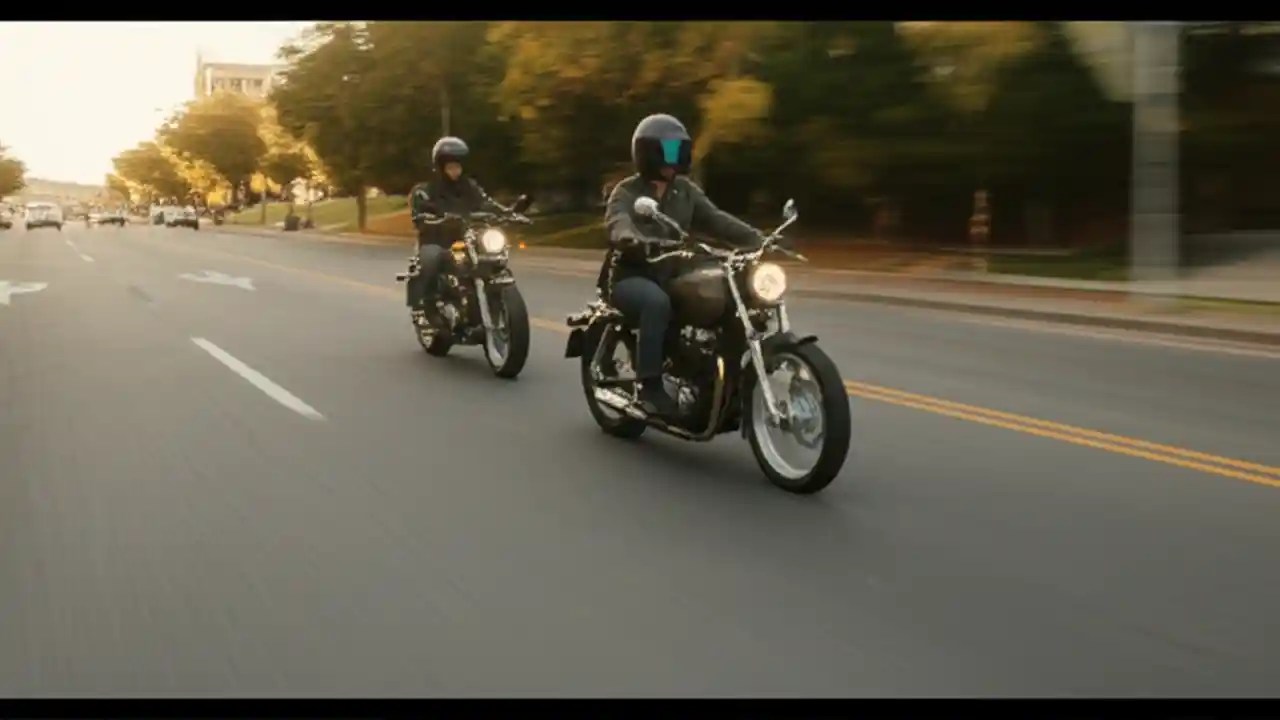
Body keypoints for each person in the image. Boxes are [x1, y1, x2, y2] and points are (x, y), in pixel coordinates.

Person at [602, 113, 766, 419]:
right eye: (667, 151)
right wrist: (631, 238)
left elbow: (717, 220)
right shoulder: (626, 191)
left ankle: (727, 382)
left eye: (679, 151)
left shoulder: (685, 191)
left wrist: (761, 240)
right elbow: (617, 221)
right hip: (632, 275)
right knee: (656, 303)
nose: (674, 159)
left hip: (675, 272)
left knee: (728, 297)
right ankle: (650, 389)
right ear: (647, 153)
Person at [408, 136, 505, 327]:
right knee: (431, 258)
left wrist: (507, 212)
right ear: (441, 167)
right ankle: (430, 309)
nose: (455, 171)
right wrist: (426, 216)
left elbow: (487, 203)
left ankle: (488, 301)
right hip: (437, 240)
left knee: (493, 258)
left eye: (458, 166)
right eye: (450, 167)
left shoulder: (470, 186)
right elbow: (419, 210)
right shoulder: (425, 189)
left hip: (468, 238)